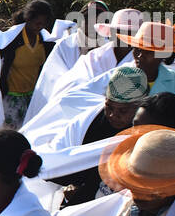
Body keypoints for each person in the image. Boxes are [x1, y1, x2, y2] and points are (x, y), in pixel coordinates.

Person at [51, 65, 150, 205]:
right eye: (109, 107)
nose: (112, 115)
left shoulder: (145, 133)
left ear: (139, 107)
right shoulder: (92, 121)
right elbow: (70, 160)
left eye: (123, 111)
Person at [0, 0, 56, 128]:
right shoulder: (13, 41)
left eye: (43, 24)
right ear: (28, 19)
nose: (39, 27)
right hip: (11, 97)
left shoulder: (45, 42)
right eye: (37, 23)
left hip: (33, 97)